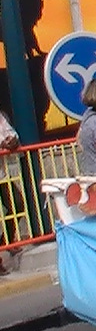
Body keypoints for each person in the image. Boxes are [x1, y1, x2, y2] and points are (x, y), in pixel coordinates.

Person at [0, 112, 24, 275]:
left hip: (1, 175)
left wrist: (12, 140)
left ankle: (6, 241)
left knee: (18, 203)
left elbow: (10, 132)